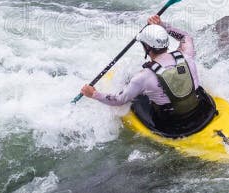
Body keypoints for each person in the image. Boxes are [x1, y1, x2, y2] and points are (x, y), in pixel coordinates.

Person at [80, 15, 216, 136]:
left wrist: (93, 94)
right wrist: (163, 26)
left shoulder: (143, 77)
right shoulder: (187, 55)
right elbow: (186, 37)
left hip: (174, 123)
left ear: (147, 47)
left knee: (135, 94)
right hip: (201, 110)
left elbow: (119, 100)